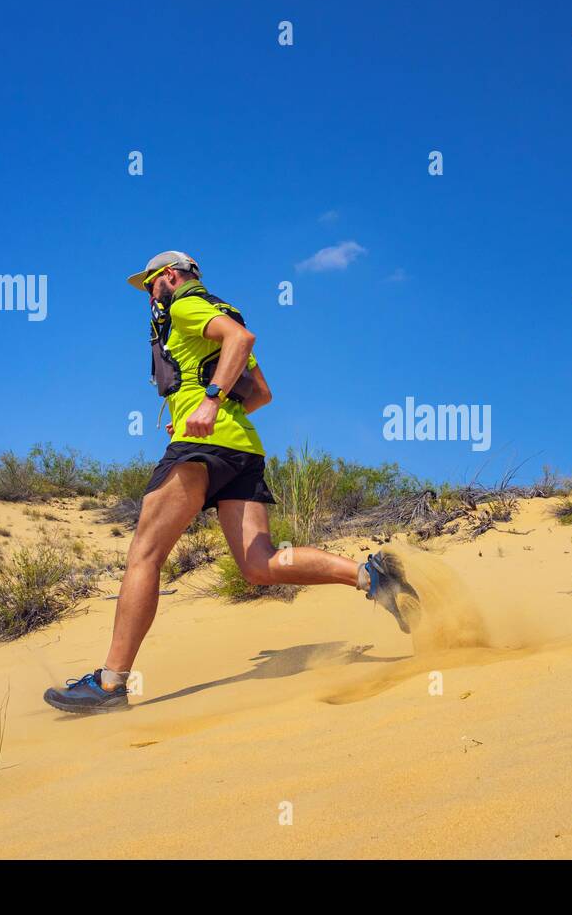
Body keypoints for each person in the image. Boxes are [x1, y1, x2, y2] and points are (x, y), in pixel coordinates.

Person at [43, 251, 418, 713]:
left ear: (172, 276)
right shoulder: (215, 312)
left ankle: (110, 685)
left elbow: (242, 338)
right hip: (242, 450)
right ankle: (369, 575)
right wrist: (202, 409)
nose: (148, 293)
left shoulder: (186, 305)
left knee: (144, 555)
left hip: (202, 452)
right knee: (258, 565)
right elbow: (261, 393)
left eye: (151, 283)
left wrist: (209, 405)